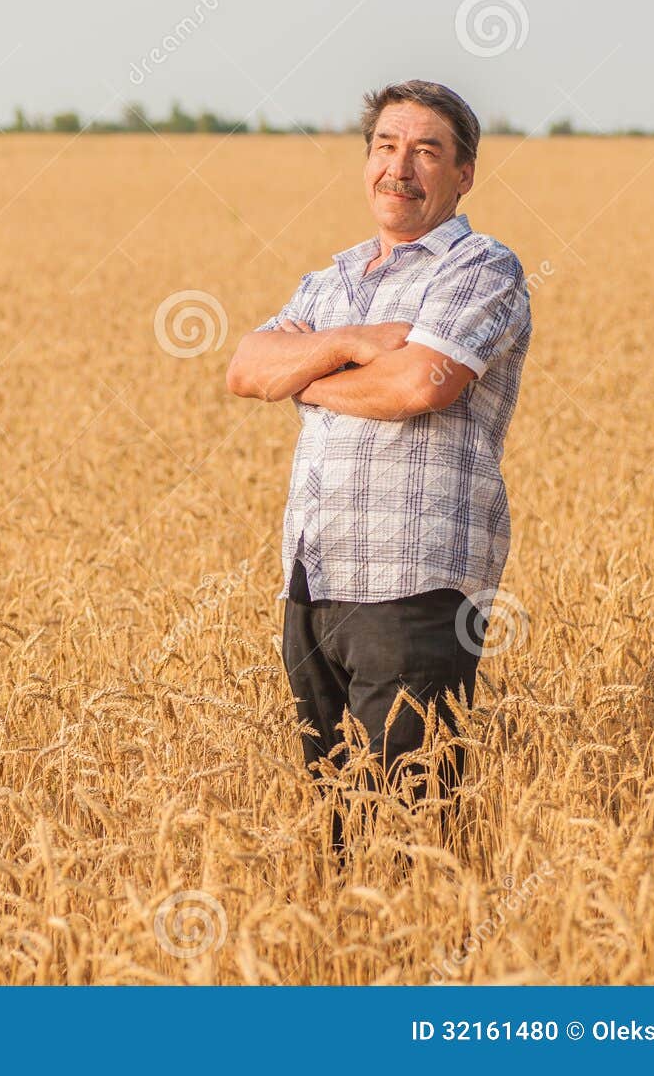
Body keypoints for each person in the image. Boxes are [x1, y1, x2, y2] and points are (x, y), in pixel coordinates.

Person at [225, 80, 532, 852]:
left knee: (408, 821)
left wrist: (306, 379)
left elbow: (421, 383)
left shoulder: (478, 266)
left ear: (463, 175)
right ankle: (346, 959)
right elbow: (247, 367)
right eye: (386, 146)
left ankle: (421, 959)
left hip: (415, 584)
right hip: (314, 580)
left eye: (427, 150)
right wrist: (355, 343)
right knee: (335, 821)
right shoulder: (329, 282)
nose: (401, 167)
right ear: (366, 161)